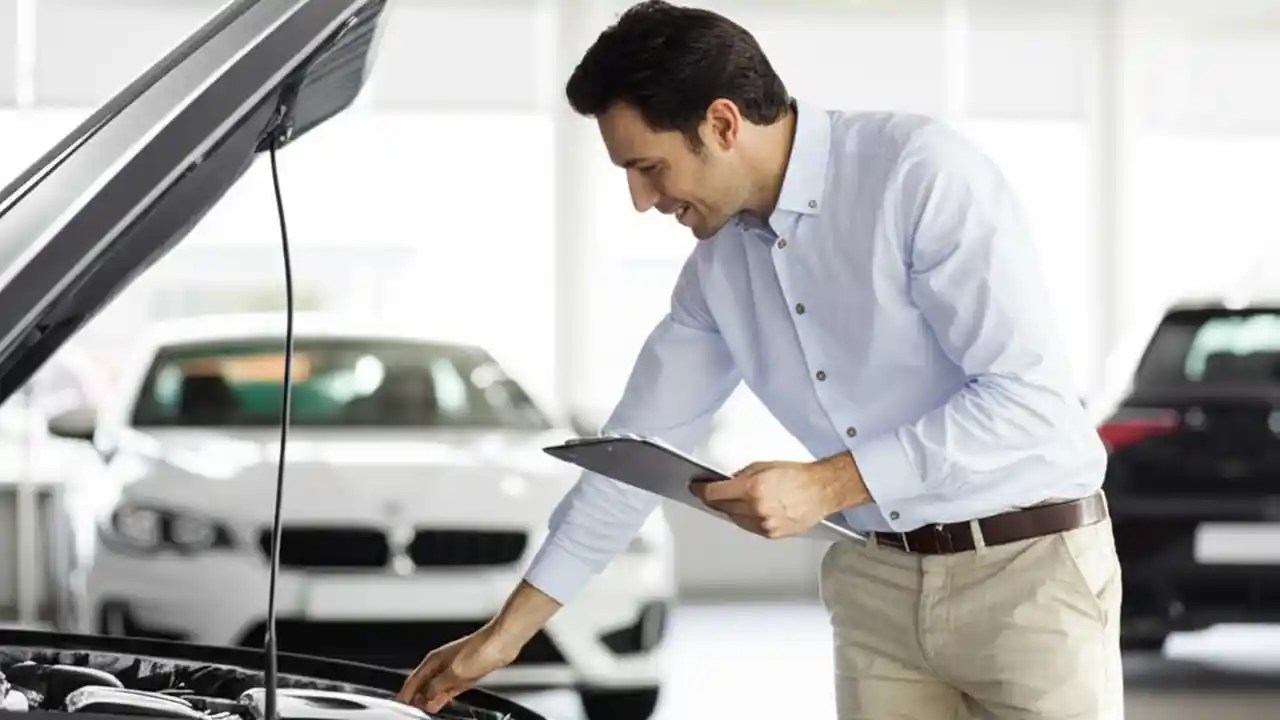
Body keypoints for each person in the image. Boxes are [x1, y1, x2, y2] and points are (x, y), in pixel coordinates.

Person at [396, 2, 1122, 718]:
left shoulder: (918, 175)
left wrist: (826, 485)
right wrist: (504, 635)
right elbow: (634, 456)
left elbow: (1026, 402)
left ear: (721, 123)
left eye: (649, 168)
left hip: (1028, 575)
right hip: (877, 583)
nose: (642, 201)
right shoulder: (717, 272)